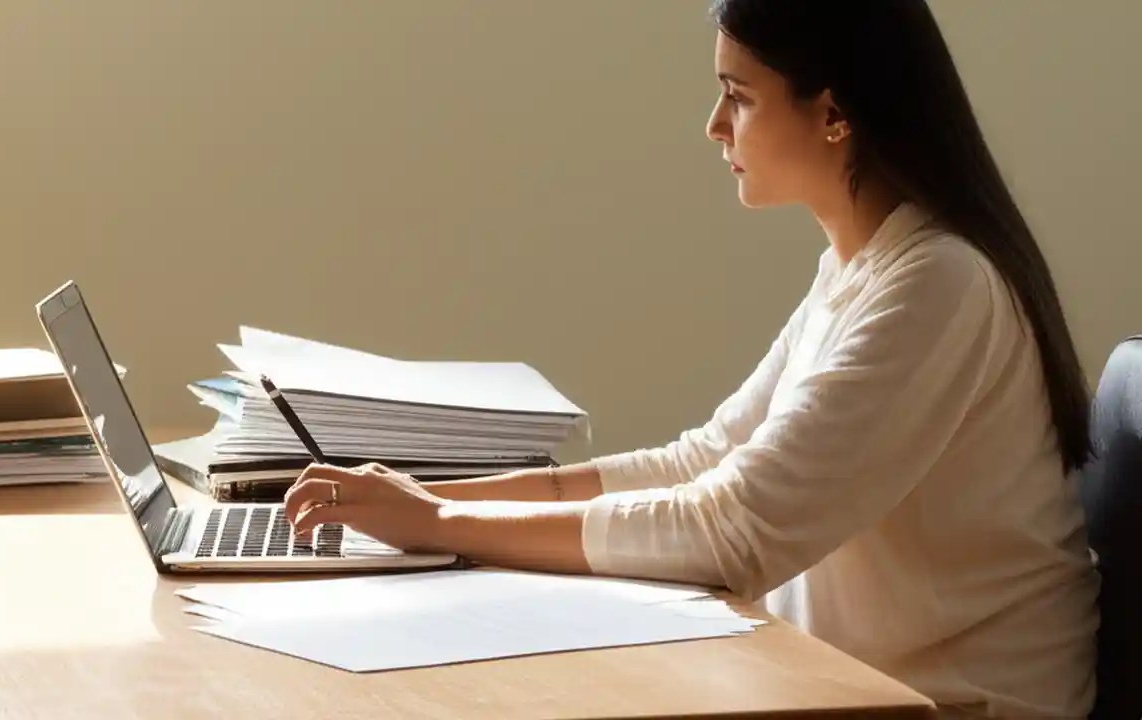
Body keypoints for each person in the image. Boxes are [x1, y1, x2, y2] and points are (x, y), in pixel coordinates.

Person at [283, 1, 1099, 716]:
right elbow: (703, 461)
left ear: (834, 113)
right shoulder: (862, 269)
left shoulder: (940, 284)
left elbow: (733, 530)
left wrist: (442, 522)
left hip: (950, 708)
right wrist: (420, 502)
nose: (714, 125)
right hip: (847, 690)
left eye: (738, 97)